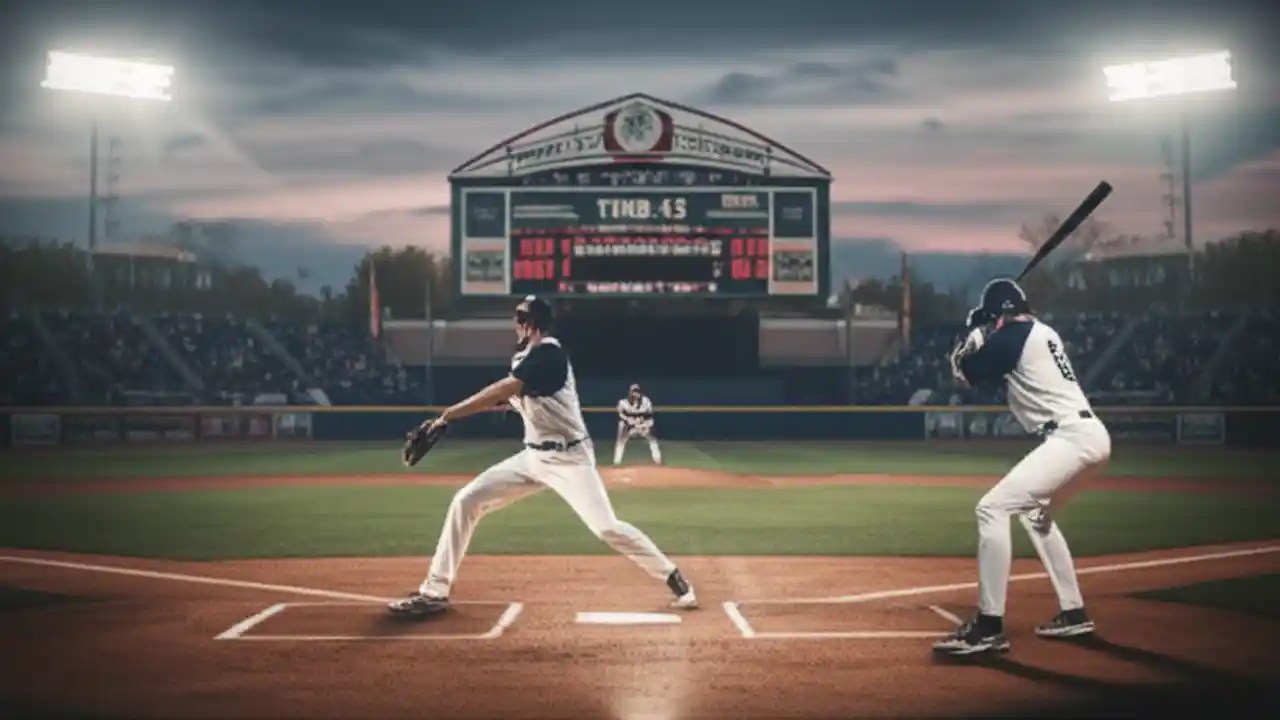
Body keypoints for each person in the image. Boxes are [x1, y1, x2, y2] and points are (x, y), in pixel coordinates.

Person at [388, 296, 697, 618]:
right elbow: (515, 396)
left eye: (519, 320)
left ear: (529, 324)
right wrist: (508, 405)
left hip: (570, 461)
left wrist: (446, 417)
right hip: (532, 459)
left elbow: (500, 390)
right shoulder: (525, 357)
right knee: (466, 501)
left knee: (606, 527)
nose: (515, 326)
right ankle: (434, 590)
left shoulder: (550, 353)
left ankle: (674, 578)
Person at [933, 279, 1111, 656]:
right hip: (1089, 436)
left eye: (992, 321)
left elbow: (966, 374)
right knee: (1035, 516)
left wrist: (969, 339)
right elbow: (989, 371)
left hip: (1070, 438)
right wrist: (981, 336)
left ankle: (988, 627)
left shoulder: (1017, 333)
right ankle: (1073, 612)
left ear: (999, 316)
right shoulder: (1038, 332)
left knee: (991, 508)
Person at [614, 383, 662, 465]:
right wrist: (629, 422)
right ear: (630, 393)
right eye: (634, 392)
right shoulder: (623, 403)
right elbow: (620, 415)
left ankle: (657, 460)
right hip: (629, 426)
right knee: (621, 437)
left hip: (642, 424)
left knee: (652, 439)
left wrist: (643, 425)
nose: (636, 394)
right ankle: (617, 461)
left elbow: (650, 416)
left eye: (637, 392)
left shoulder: (646, 401)